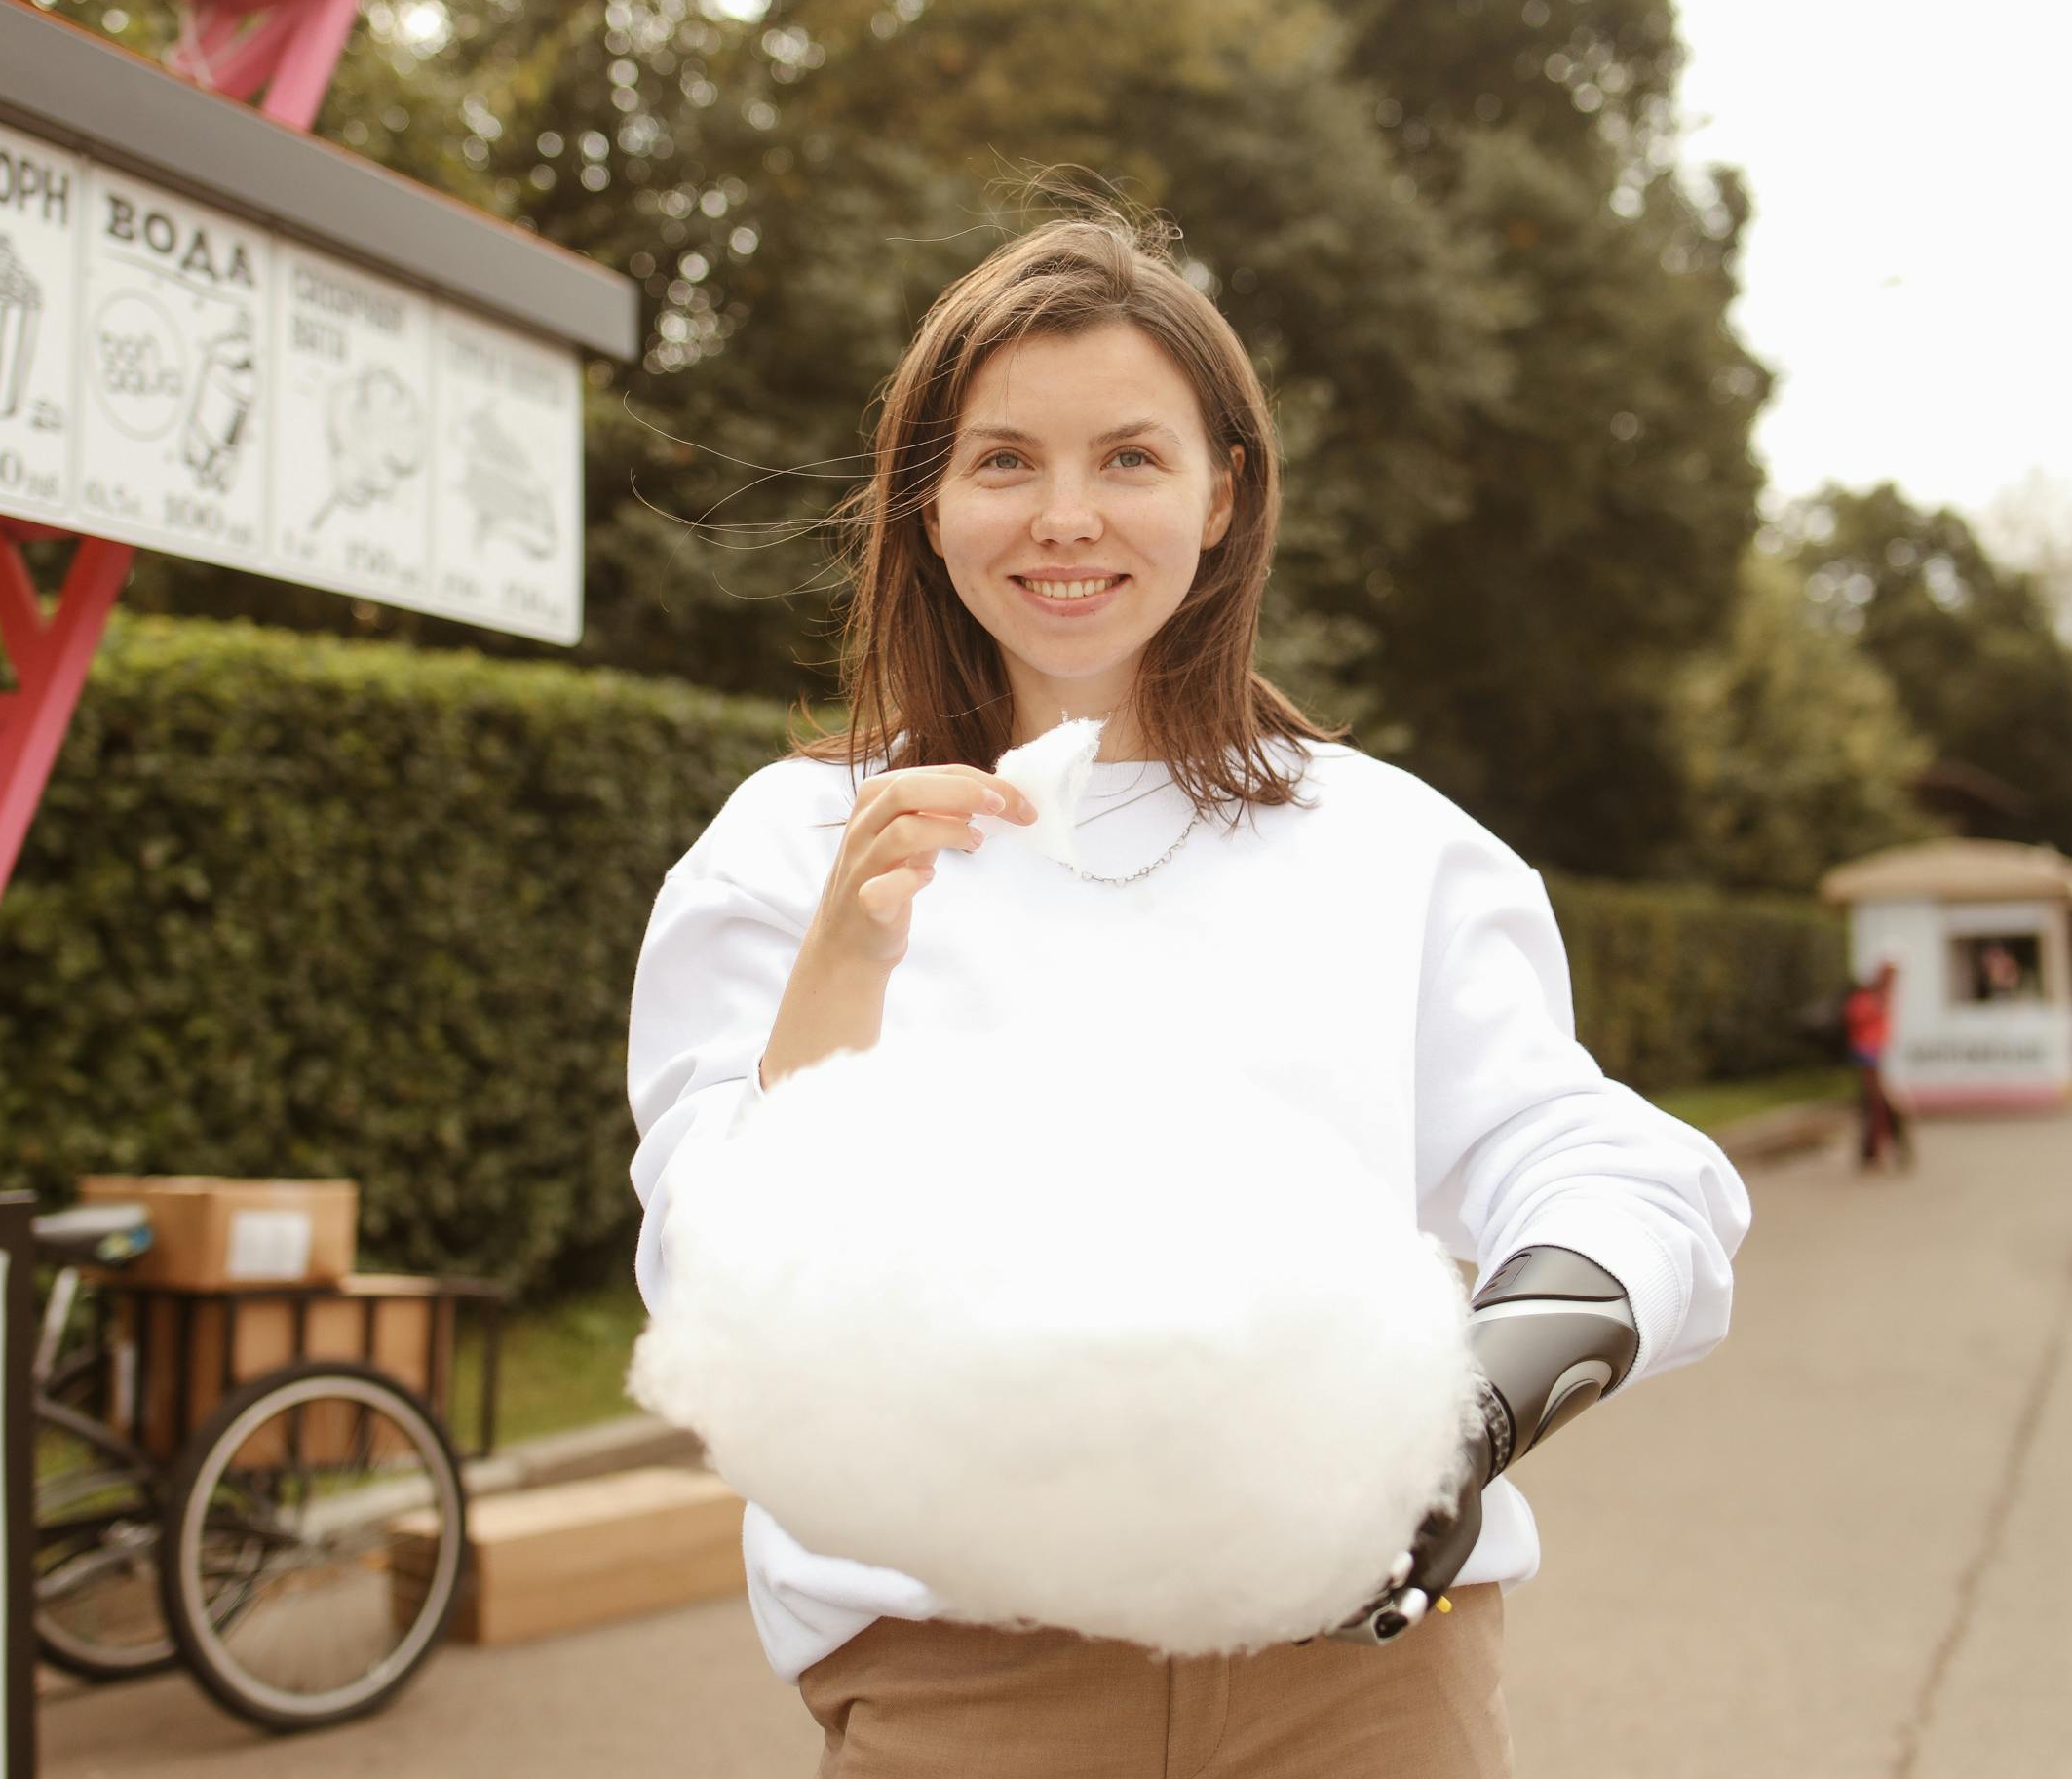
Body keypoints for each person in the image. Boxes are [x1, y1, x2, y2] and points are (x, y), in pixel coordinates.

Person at [626, 209, 1750, 1778]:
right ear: (929, 504)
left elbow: (1621, 1178)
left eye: (1130, 459)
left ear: (1224, 496)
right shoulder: (791, 846)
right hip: (961, 1690)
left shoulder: (1388, 845)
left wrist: (1468, 1420)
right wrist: (846, 965)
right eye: (1004, 460)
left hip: (1360, 1690)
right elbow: (712, 1291)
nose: (1065, 516)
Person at [1842, 960, 1912, 1172]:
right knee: (1878, 1104)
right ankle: (1877, 1150)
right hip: (1867, 1054)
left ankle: (1875, 1151)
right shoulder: (1868, 995)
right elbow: (1855, 1018)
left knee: (1878, 1104)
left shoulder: (1884, 995)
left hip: (1877, 1053)